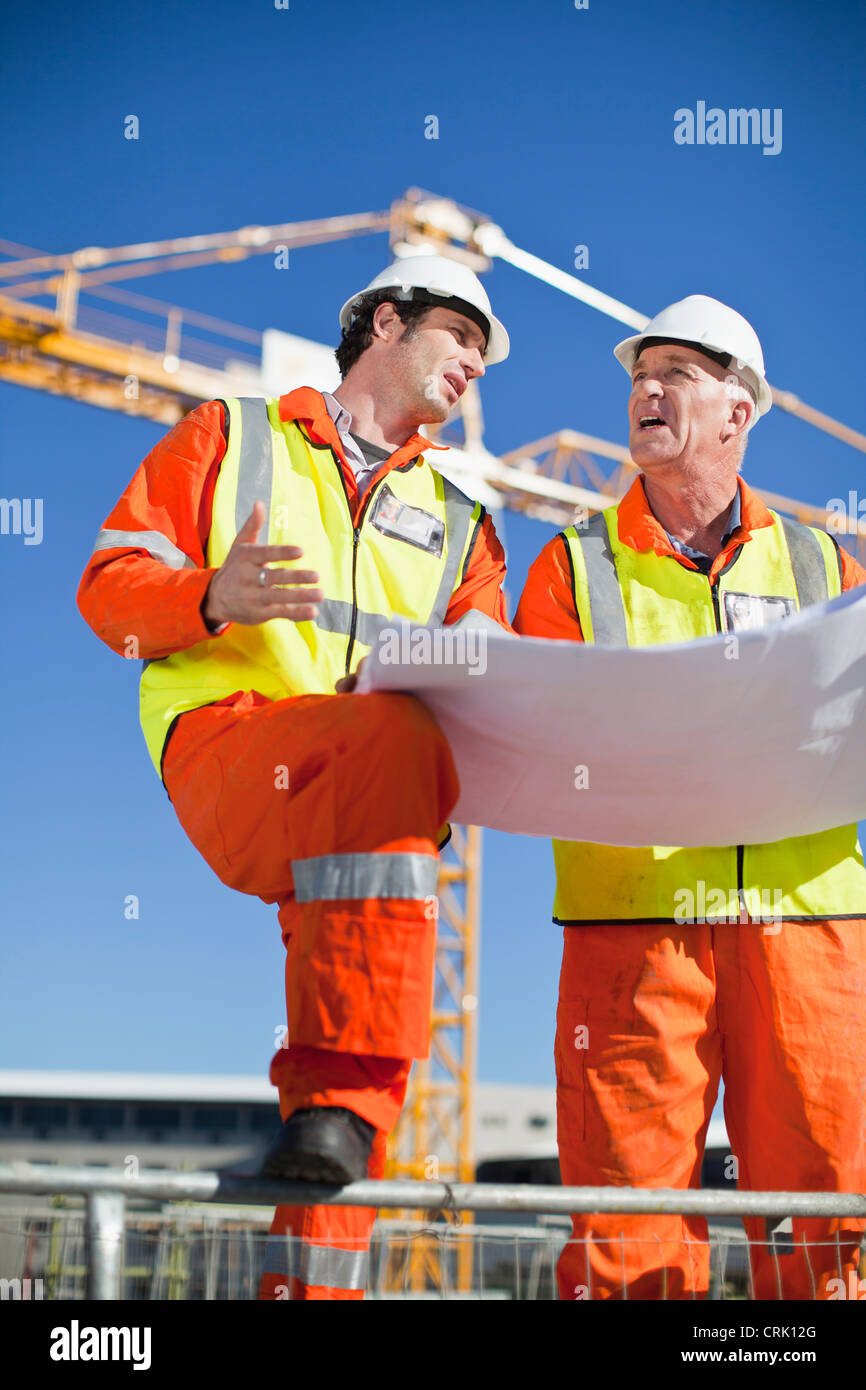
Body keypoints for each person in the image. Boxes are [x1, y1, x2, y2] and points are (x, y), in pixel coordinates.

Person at [77, 254, 513, 1300]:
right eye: (460, 335)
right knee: (392, 756)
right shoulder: (231, 436)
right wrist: (210, 595)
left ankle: (315, 1255)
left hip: (363, 809)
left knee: (353, 1060)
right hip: (234, 748)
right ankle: (342, 1114)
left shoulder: (465, 520)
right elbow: (107, 593)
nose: (474, 366)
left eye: (483, 354)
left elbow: (496, 669)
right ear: (386, 323)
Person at [514, 294, 866, 1301]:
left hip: (806, 928)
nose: (645, 389)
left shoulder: (823, 564)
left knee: (824, 1217)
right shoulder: (572, 566)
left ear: (735, 412)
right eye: (637, 373)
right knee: (626, 1227)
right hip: (634, 927)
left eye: (675, 370)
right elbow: (535, 735)